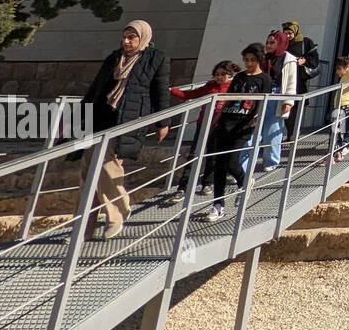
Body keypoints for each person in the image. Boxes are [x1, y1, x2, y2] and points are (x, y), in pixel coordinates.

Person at [80, 20, 170, 240]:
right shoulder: (114, 58)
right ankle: (83, 226)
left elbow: (160, 92)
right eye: (125, 36)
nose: (126, 41)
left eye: (132, 37)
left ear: (143, 38)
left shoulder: (156, 58)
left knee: (106, 163)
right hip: (101, 117)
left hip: (129, 119)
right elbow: (95, 89)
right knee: (87, 169)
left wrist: (163, 122)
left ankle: (118, 214)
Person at [196, 44, 271, 223]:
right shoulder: (239, 77)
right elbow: (228, 99)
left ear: (259, 60)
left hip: (244, 125)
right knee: (219, 165)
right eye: (246, 60)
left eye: (252, 60)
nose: (249, 63)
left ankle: (245, 181)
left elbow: (263, 103)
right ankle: (218, 205)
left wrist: (257, 117)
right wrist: (215, 121)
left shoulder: (264, 79)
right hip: (226, 121)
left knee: (231, 161)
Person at [165, 61, 239, 204]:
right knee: (194, 154)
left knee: (212, 154)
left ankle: (207, 183)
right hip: (203, 124)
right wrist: (171, 90)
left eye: (222, 74)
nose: (219, 77)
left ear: (230, 74)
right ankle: (182, 187)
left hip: (221, 126)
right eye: (216, 74)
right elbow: (190, 94)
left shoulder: (234, 87)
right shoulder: (210, 87)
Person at [248, 29, 297, 174]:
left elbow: (291, 82)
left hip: (276, 95)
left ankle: (271, 162)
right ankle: (245, 163)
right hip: (259, 95)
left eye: (272, 43)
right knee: (251, 131)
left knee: (273, 129)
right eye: (267, 42)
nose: (268, 45)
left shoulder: (289, 59)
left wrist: (288, 101)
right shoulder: (261, 58)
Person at [281, 20, 320, 143]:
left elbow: (315, 61)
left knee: (295, 110)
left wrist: (304, 61)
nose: (288, 35)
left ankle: (293, 135)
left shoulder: (305, 42)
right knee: (284, 111)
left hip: (297, 82)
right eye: (285, 33)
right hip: (283, 81)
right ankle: (289, 135)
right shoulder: (282, 43)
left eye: (290, 32)